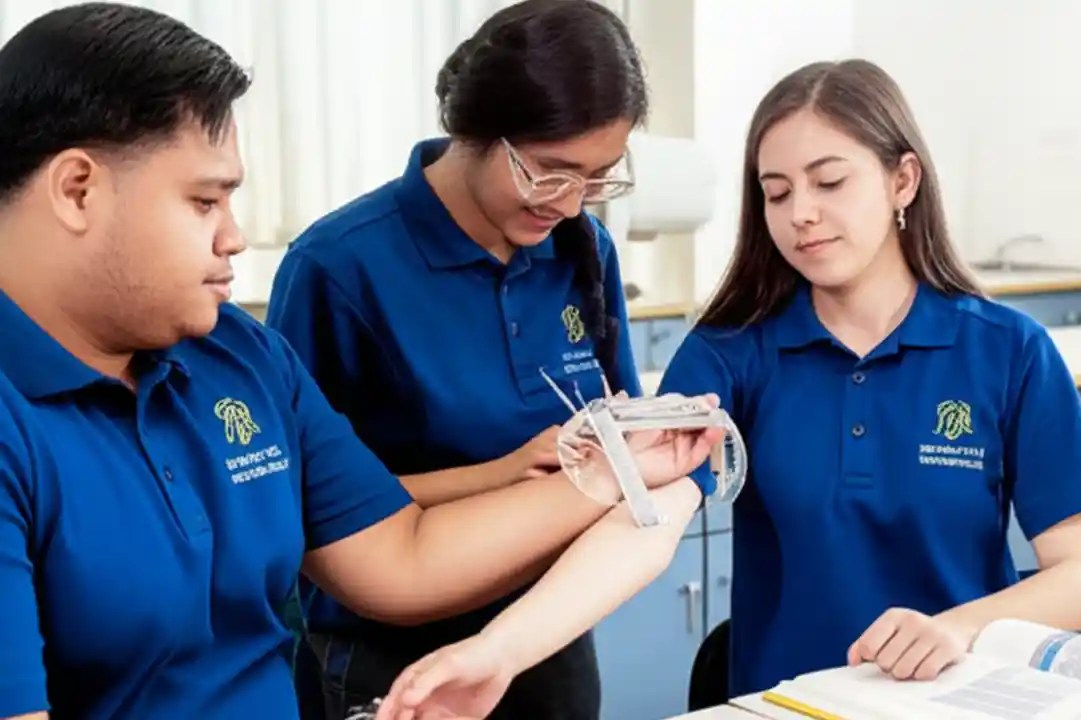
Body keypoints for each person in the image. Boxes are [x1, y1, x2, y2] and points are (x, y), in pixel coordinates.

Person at [0, 4, 721, 719]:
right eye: (203, 202)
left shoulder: (240, 359)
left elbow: (401, 555)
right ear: (77, 190)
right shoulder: (337, 267)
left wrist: (612, 474)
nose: (234, 237)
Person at [648, 59, 1081, 696]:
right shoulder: (729, 353)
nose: (801, 215)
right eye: (778, 193)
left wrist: (956, 629)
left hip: (963, 699)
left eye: (830, 182)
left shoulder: (1009, 350)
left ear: (903, 180)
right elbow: (649, 516)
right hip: (791, 705)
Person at [265, 1, 654, 718]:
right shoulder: (340, 267)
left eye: (596, 178)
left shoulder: (582, 252)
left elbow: (622, 446)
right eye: (548, 173)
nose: (569, 205)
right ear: (476, 129)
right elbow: (296, 506)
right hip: (394, 656)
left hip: (549, 636)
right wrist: (498, 477)